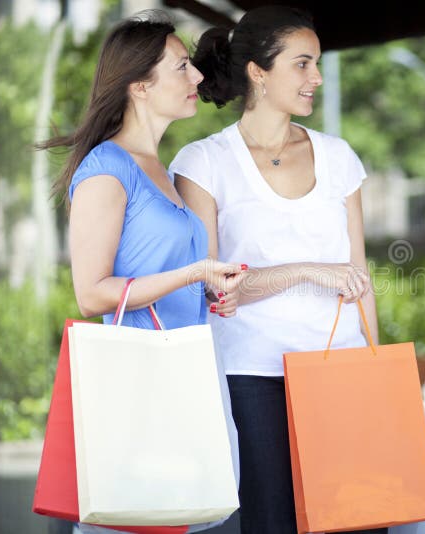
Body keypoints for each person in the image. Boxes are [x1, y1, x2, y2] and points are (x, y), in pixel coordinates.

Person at [169, 6, 383, 534]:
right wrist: (308, 270)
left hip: (342, 369)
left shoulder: (339, 158)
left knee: (357, 523)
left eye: (317, 64)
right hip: (253, 375)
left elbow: (359, 280)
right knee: (273, 522)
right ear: (258, 73)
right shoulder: (203, 163)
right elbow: (215, 288)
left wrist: (378, 375)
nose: (316, 78)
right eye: (303, 64)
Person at [39, 11, 244, 533]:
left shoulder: (166, 171)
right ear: (139, 86)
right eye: (181, 67)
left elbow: (167, 269)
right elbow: (91, 294)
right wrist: (193, 271)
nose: (197, 76)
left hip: (188, 374)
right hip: (138, 387)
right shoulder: (106, 169)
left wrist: (211, 288)